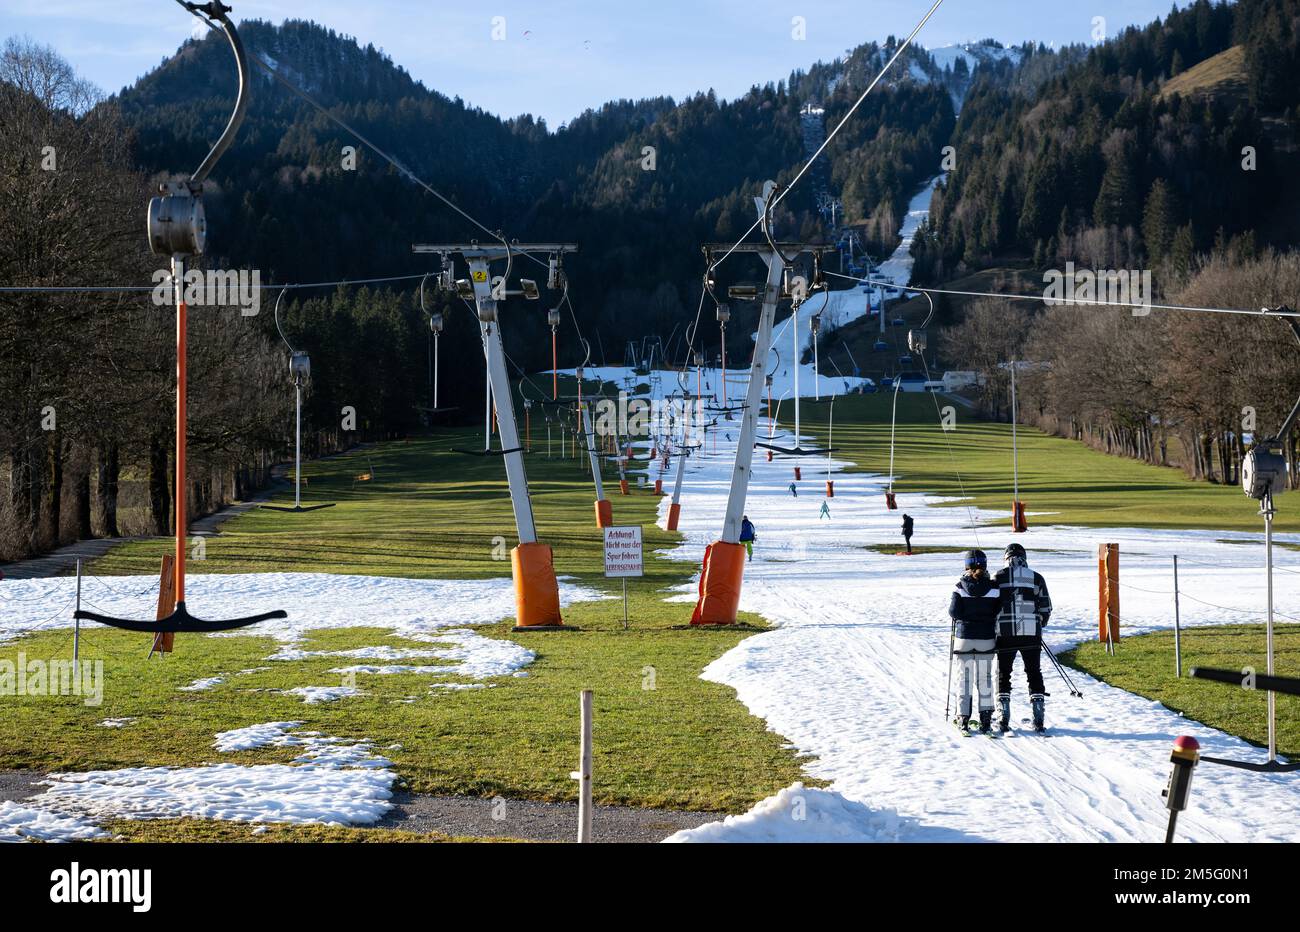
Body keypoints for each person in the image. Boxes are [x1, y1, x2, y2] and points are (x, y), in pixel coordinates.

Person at [994, 543, 1053, 732]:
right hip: (1031, 634)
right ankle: (1039, 718)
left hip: (1005, 633)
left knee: (1004, 673)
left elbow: (991, 605)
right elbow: (1046, 607)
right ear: (1024, 558)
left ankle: (1003, 717)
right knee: (1034, 672)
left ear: (1006, 558)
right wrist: (1039, 623)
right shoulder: (1037, 578)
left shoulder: (997, 577)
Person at [948, 549, 1000, 734]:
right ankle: (986, 719)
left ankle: (963, 718)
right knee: (985, 679)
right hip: (986, 638)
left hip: (965, 638)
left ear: (966, 566)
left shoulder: (959, 586)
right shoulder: (994, 588)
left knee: (964, 678)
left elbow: (954, 612)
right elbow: (997, 610)